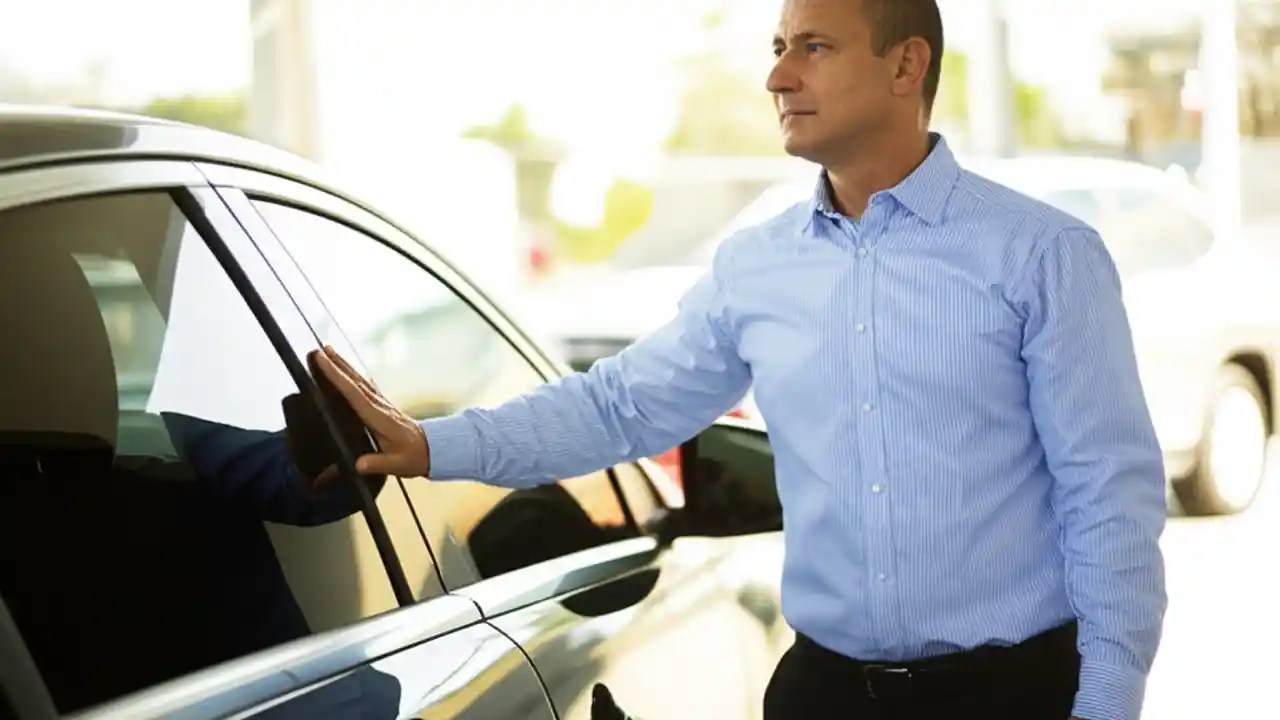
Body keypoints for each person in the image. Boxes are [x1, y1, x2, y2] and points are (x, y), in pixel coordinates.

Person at [313, 0, 1167, 717]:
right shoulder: (754, 267)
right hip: (820, 694)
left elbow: (1110, 501)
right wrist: (432, 445)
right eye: (777, 48)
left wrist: (1105, 707)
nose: (778, 77)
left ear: (907, 67)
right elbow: (621, 407)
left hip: (1007, 695)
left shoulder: (1042, 255)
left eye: (814, 48)